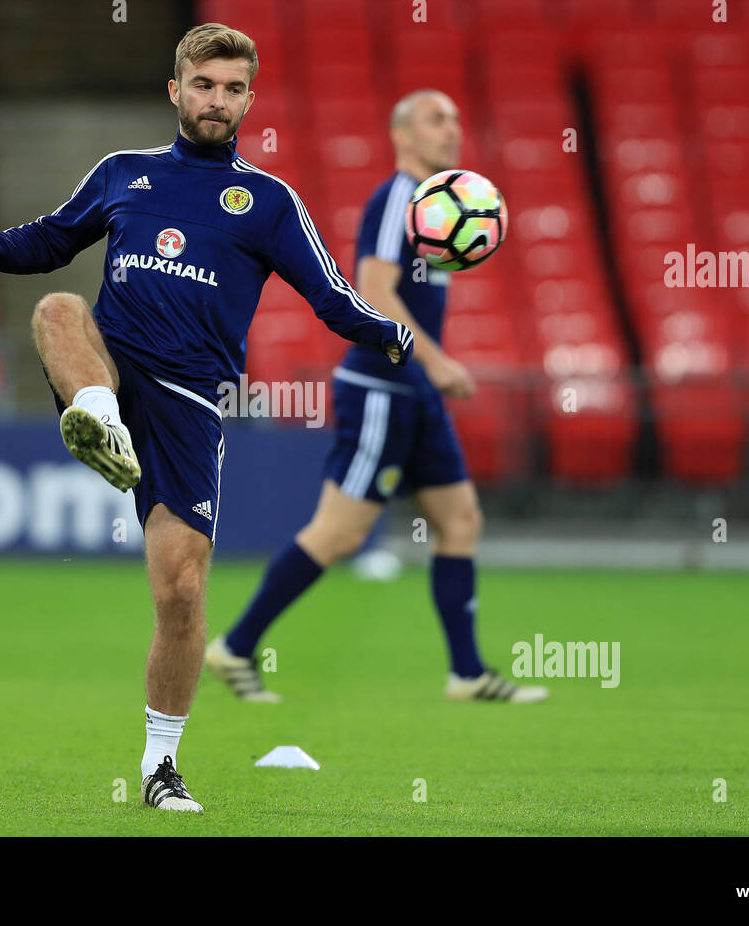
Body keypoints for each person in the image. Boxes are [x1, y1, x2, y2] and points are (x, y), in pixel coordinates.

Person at [0, 23, 413, 812]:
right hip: (112, 365)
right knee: (57, 308)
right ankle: (99, 421)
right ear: (175, 90)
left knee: (182, 593)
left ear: (249, 99)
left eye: (232, 89)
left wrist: (389, 334)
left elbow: (329, 295)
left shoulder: (267, 201)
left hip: (190, 401)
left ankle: (159, 768)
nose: (216, 100)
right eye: (204, 84)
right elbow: (50, 243)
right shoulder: (124, 173)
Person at [206, 90, 547, 706]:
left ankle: (466, 672)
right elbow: (370, 290)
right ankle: (235, 645)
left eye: (456, 119)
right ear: (403, 136)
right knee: (337, 535)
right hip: (382, 388)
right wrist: (437, 361)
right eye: (436, 119)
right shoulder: (401, 199)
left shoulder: (439, 207)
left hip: (415, 394)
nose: (452, 130)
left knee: (461, 520)